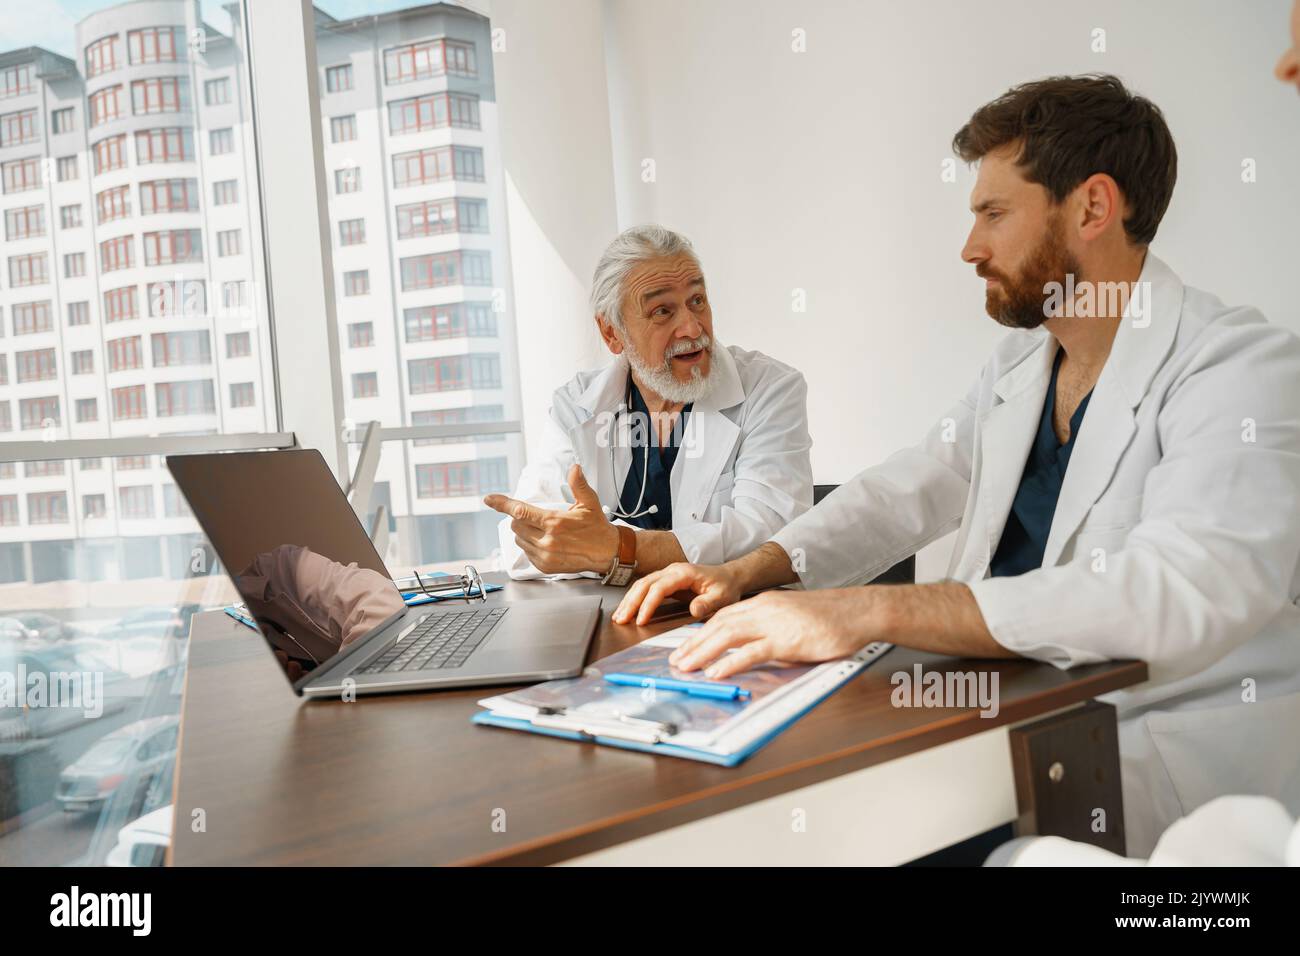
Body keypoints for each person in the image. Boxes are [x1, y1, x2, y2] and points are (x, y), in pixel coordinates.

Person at [614, 75, 1300, 857]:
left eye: (994, 214)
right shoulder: (1021, 365)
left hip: (1155, 764)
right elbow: (914, 483)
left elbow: (1179, 589)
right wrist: (755, 569)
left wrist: (870, 611)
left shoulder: (1237, 366)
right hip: (995, 719)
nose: (971, 247)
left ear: (1092, 207)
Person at [484, 224, 813, 585]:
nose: (692, 327)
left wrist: (617, 548)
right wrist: (596, 550)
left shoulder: (769, 388)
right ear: (612, 333)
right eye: (662, 311)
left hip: (732, 614)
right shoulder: (577, 404)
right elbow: (529, 537)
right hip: (613, 616)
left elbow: (776, 540)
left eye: (697, 301)